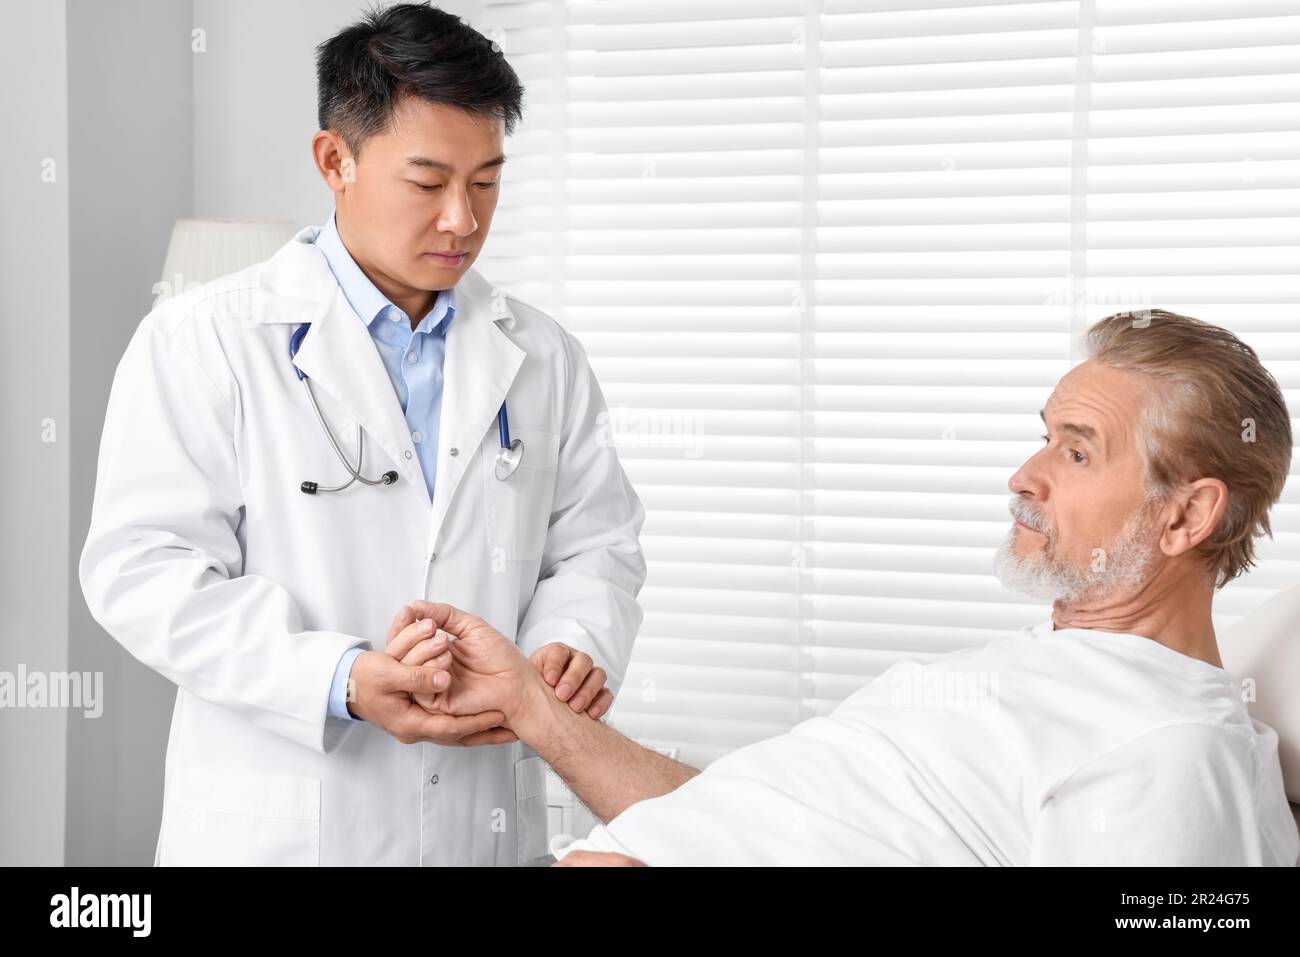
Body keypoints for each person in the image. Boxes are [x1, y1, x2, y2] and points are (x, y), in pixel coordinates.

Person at [388, 310, 1299, 866]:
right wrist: (534, 708)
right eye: (1043, 436)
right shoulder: (1033, 675)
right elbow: (735, 819)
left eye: (1075, 449)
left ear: (1185, 517)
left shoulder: (1174, 751)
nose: (1025, 474)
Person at [79, 3, 645, 866]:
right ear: (335, 159)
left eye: (487, 181)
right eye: (428, 183)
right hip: (284, 828)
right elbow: (139, 571)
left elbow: (598, 546)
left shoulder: (542, 356)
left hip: (480, 823)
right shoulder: (205, 340)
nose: (463, 218)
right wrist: (339, 678)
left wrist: (569, 645)